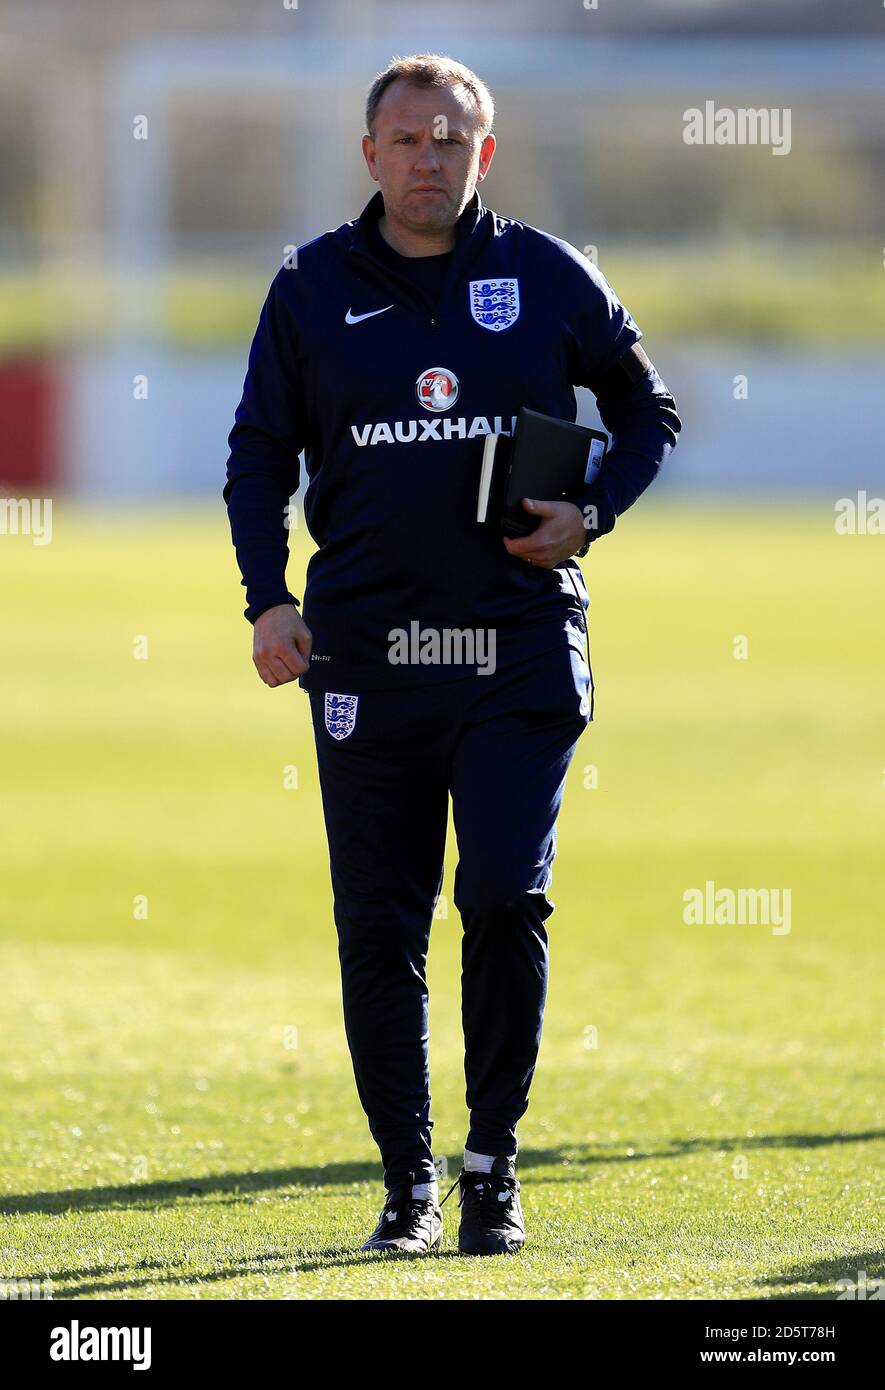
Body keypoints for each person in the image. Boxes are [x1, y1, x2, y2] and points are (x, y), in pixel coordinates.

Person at [224, 53, 681, 1256]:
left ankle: (493, 1166)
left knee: (502, 899)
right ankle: (407, 1181)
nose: (430, 157)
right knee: (380, 923)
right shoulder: (311, 286)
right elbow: (258, 455)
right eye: (408, 138)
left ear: (487, 152)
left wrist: (593, 513)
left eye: (452, 138)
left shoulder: (542, 273)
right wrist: (269, 600)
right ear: (369, 154)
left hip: (517, 649)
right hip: (368, 657)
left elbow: (650, 411)